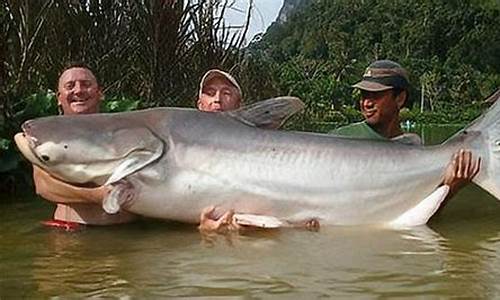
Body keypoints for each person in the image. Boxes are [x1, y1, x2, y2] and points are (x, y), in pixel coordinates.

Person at [332, 59, 480, 205]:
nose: (366, 103)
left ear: (400, 99)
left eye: (376, 95)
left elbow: (419, 219)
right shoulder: (340, 139)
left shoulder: (416, 152)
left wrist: (450, 188)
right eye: (364, 95)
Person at [33, 63, 136, 228]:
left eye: (86, 84)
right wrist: (97, 196)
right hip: (70, 233)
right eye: (70, 86)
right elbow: (44, 186)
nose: (78, 90)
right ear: (59, 98)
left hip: (125, 231)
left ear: (100, 93)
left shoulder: (124, 131)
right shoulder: (48, 136)